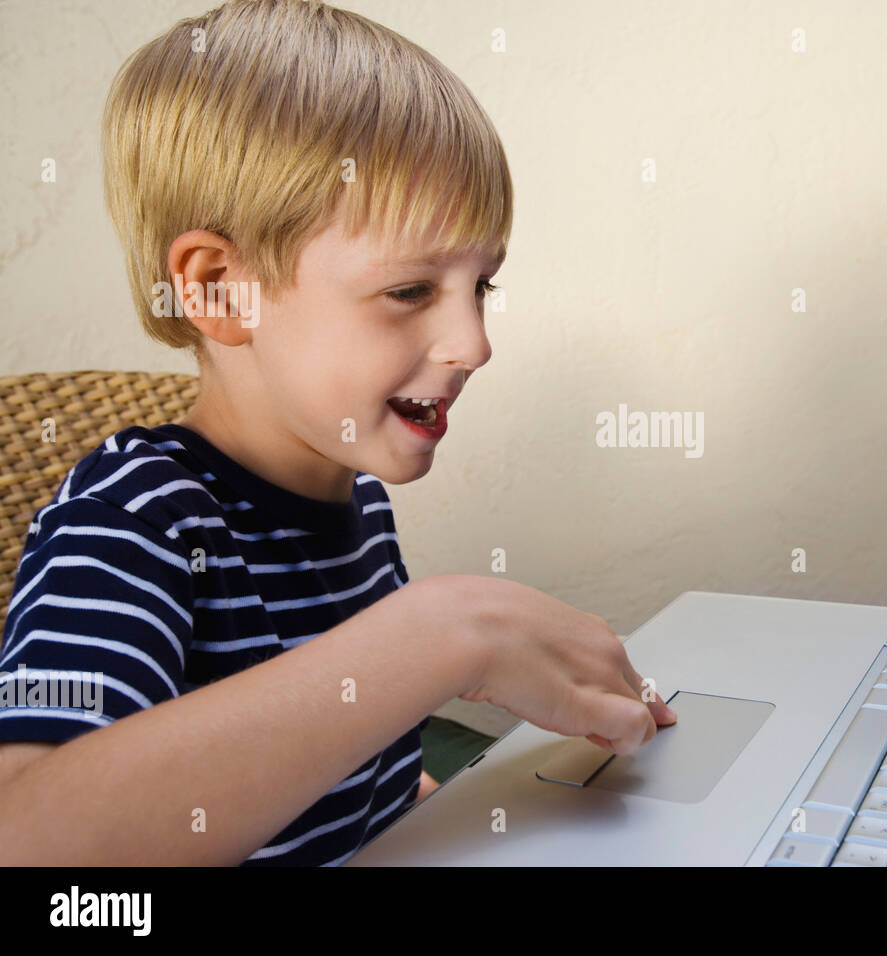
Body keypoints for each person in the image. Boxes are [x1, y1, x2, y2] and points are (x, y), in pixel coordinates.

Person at [0, 0, 675, 866]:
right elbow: (29, 842)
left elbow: (360, 775)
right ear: (218, 289)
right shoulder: (136, 515)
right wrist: (438, 632)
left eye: (484, 286)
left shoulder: (353, 496)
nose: (474, 344)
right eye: (409, 291)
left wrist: (457, 804)